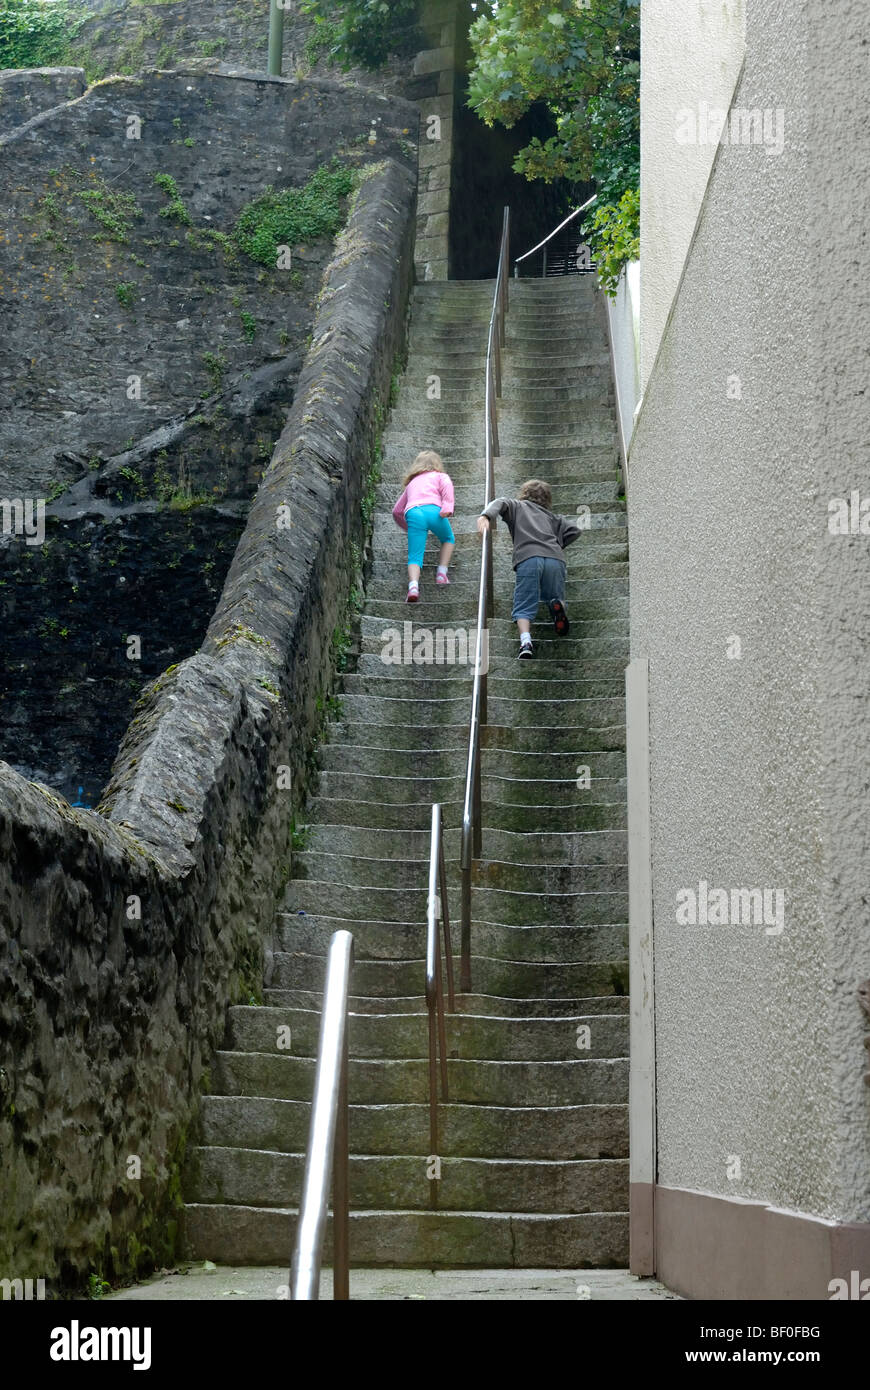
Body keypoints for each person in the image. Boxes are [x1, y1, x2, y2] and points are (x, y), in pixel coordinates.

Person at [477, 478, 580, 658]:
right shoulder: (553, 517)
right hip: (555, 558)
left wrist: (486, 516)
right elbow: (575, 530)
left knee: (524, 602)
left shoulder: (517, 506)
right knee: (555, 595)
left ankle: (526, 642)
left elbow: (501, 502)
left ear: (524, 494)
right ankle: (557, 606)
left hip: (529, 557)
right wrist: (557, 543)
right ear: (547, 499)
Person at [392, 449, 456, 603]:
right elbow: (447, 488)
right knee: (448, 538)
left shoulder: (412, 483)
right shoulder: (441, 476)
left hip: (413, 513)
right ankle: (441, 573)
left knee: (415, 555)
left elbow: (397, 511)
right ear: (437, 464)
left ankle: (413, 586)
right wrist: (447, 508)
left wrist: (409, 527)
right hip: (434, 511)